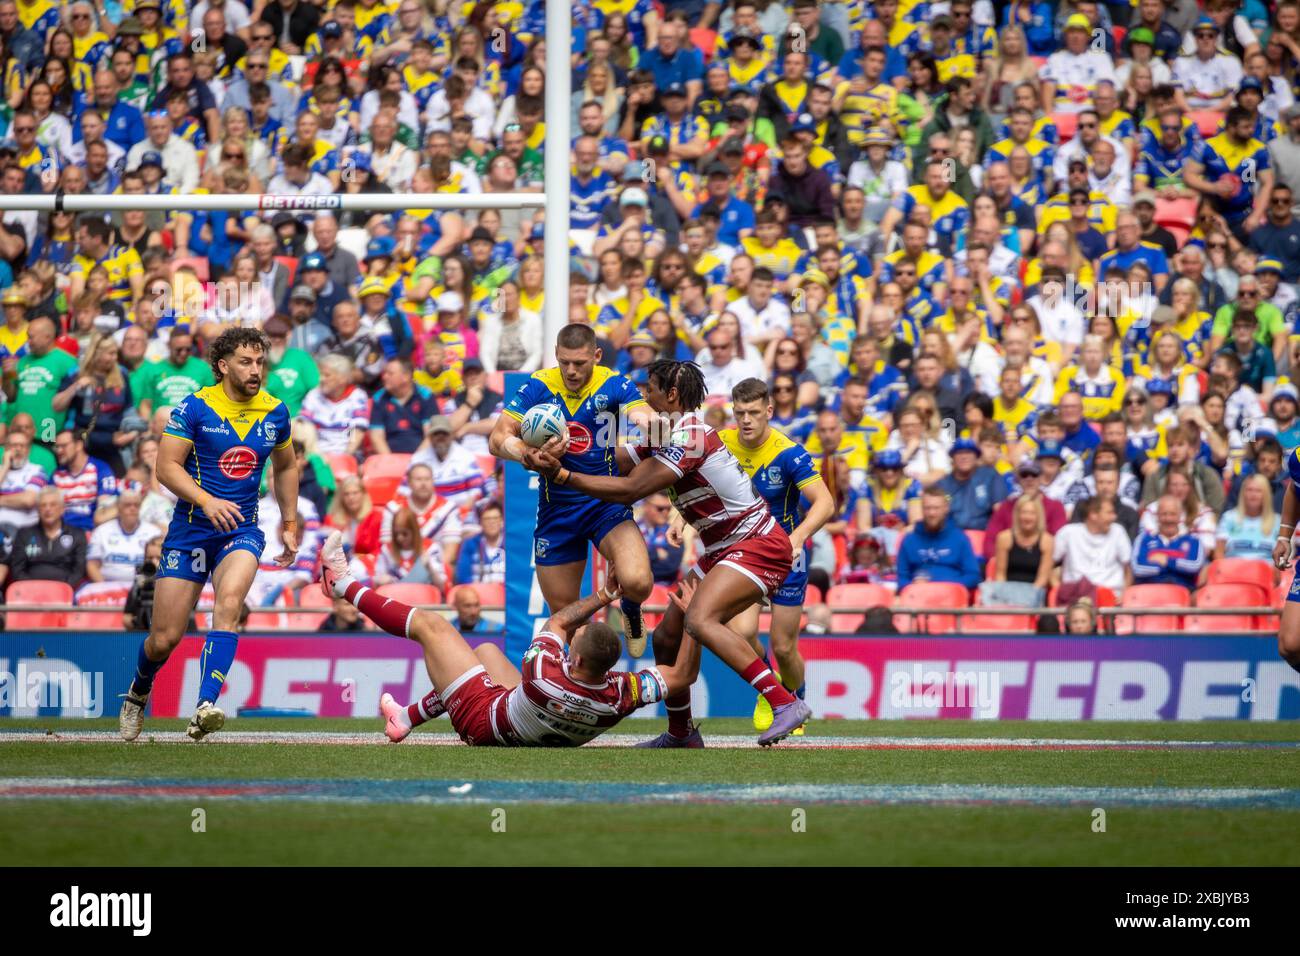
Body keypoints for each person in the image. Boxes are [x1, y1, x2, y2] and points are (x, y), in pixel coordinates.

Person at [524, 359, 812, 747]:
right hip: (724, 549)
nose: (643, 397)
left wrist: (563, 477)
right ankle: (681, 734)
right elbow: (618, 462)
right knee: (666, 637)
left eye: (650, 390)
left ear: (671, 396)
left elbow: (629, 489)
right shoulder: (664, 433)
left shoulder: (690, 435)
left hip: (756, 543)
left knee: (700, 619)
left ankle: (783, 703)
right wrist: (562, 450)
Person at [318, 531, 695, 747]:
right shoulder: (621, 693)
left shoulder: (544, 673)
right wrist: (695, 624)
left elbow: (559, 621)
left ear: (576, 660)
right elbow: (682, 676)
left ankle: (343, 585)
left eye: (573, 644)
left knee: (431, 627)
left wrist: (603, 596)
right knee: (483, 652)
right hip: (526, 718)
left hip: (483, 721)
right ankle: (405, 717)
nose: (568, 643)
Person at [118, 328, 299, 743]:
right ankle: (137, 693)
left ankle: (204, 706)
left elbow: (286, 466)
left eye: (260, 362)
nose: (255, 371)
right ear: (222, 365)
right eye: (245, 362)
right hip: (190, 532)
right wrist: (207, 501)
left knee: (230, 602)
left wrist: (289, 522)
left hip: (242, 530)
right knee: (164, 639)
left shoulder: (275, 411)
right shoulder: (195, 406)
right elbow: (166, 467)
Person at [489, 323, 656, 656]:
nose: (571, 370)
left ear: (596, 355)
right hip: (558, 510)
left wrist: (653, 424)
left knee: (638, 581)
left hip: (604, 503)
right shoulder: (539, 385)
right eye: (564, 362)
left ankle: (631, 609)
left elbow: (644, 415)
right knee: (566, 621)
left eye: (580, 363)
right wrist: (525, 452)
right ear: (556, 355)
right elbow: (496, 438)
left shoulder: (614, 383)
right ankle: (574, 695)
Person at [720, 378, 834, 734]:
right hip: (744, 553)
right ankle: (771, 690)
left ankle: (794, 699)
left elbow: (825, 503)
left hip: (787, 556)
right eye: (740, 413)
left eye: (754, 413)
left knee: (785, 647)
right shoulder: (721, 444)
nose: (746, 420)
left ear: (769, 411)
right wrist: (680, 519)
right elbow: (695, 483)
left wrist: (798, 537)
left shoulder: (789, 453)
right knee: (742, 631)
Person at [895, 487, 983, 592]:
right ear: (922, 509)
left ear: (946, 508)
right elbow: (902, 579)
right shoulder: (909, 540)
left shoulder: (960, 539)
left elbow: (973, 576)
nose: (932, 513)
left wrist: (946, 586)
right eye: (928, 508)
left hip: (951, 597)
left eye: (936, 508)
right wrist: (912, 586)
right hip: (918, 596)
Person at [1053, 496, 1133, 603]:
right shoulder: (1068, 533)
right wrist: (1058, 589)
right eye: (1109, 513)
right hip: (1075, 597)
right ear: (1093, 515)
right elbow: (1050, 565)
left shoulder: (1118, 531)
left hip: (1110, 597)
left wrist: (1124, 595)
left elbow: (1128, 570)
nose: (1114, 517)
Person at [4, 486, 86, 586]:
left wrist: (62, 588)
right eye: (43, 505)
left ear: (62, 509)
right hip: (29, 592)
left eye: (53, 504)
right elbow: (17, 569)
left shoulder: (77, 535)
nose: (48, 509)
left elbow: (79, 571)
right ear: (38, 510)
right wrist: (33, 588)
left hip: (65, 592)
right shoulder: (24, 534)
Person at [983, 494, 1054, 607]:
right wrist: (1007, 598)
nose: (1027, 517)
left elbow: (1042, 579)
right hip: (1007, 593)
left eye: (1032, 513)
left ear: (1038, 516)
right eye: (1024, 512)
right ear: (1017, 514)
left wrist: (1026, 598)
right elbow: (1000, 575)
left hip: (1034, 594)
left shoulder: (1047, 541)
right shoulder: (1004, 538)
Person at [1131, 494, 1208, 591]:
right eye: (1164, 514)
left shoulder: (1193, 540)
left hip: (1183, 592)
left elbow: (1194, 566)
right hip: (1149, 593)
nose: (1168, 519)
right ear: (1157, 515)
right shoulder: (1144, 539)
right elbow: (1137, 568)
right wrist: (1175, 567)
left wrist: (1166, 561)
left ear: (1180, 515)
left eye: (1172, 514)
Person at [935, 437, 1008, 530]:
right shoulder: (942, 485)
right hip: (952, 537)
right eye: (959, 453)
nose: (964, 457)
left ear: (976, 457)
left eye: (968, 453)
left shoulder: (991, 476)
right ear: (952, 458)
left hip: (983, 535)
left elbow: (1000, 511)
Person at [1217, 473, 1280, 561]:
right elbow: (1218, 554)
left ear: (1266, 495)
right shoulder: (1228, 518)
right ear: (1243, 493)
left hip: (1266, 571)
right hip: (1233, 571)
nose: (1253, 494)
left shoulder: (1277, 521)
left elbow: (1282, 558)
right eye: (1249, 490)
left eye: (1258, 490)